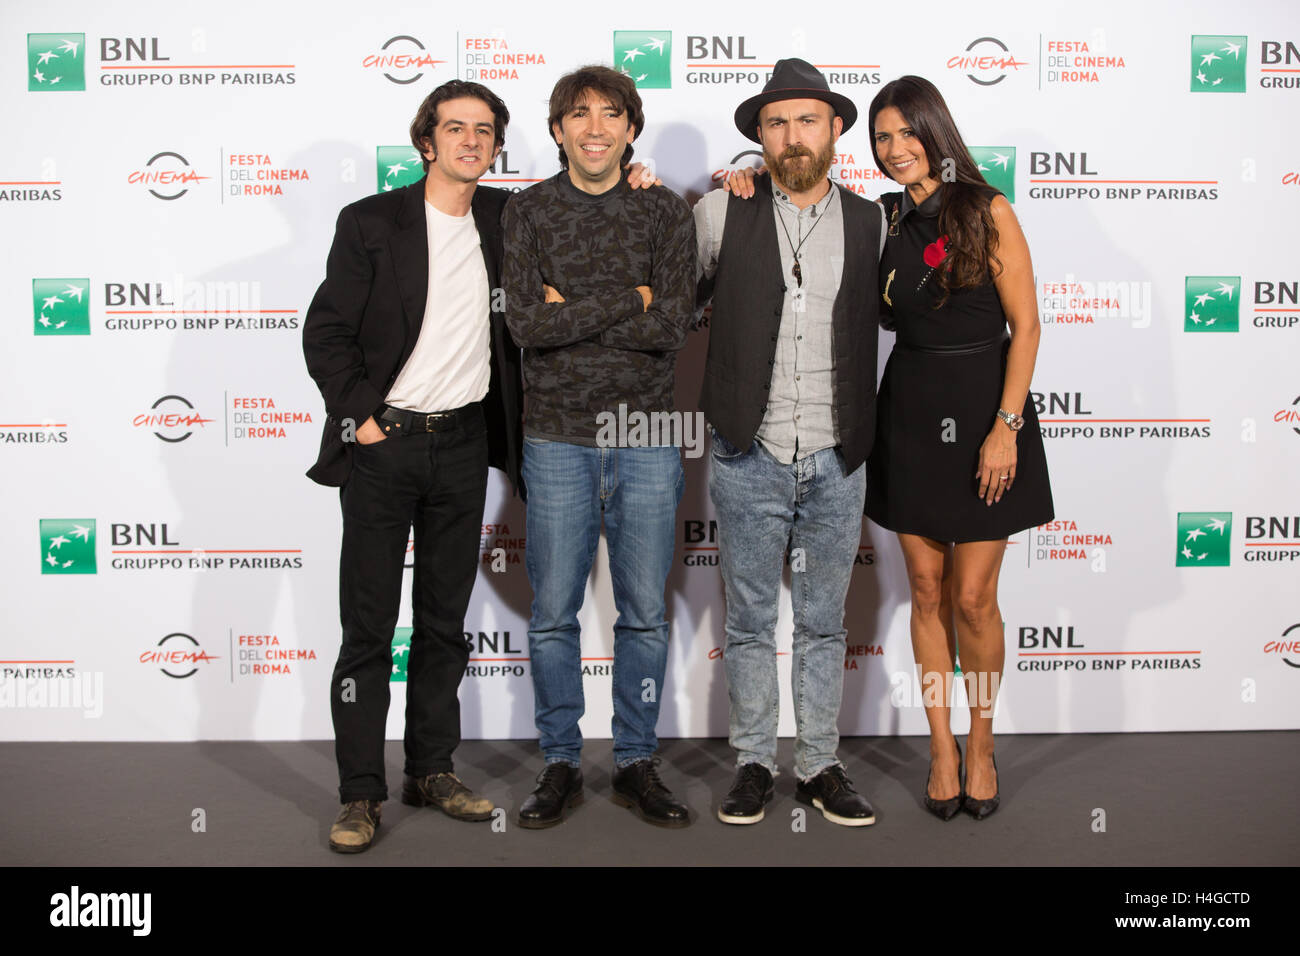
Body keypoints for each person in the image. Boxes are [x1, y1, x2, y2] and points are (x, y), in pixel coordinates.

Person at [303, 79, 523, 853]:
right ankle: (359, 793)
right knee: (368, 629)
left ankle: (430, 768)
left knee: (443, 623)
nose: (471, 140)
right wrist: (360, 419)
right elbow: (325, 333)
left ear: (498, 145)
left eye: (485, 130)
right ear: (425, 141)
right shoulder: (371, 222)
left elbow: (582, 196)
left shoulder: (507, 217)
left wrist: (634, 174)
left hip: (464, 445)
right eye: (455, 128)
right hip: (384, 445)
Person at [502, 65, 697, 829]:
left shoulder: (664, 213)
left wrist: (580, 307)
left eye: (610, 114)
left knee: (643, 615)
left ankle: (636, 759)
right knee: (553, 614)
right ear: (556, 130)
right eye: (577, 114)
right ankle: (558, 761)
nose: (593, 127)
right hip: (555, 435)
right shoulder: (528, 212)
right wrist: (632, 298)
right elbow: (527, 324)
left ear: (630, 128)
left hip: (649, 432)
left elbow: (671, 328)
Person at [698, 58, 886, 826]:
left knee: (822, 623)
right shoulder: (719, 211)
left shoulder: (877, 221)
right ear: (759, 138)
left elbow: (932, 294)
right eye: (776, 123)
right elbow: (670, 302)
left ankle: (817, 765)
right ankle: (752, 760)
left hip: (839, 457)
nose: (792, 135)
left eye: (807, 119)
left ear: (835, 128)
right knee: (746, 621)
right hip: (750, 451)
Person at [865, 75, 1054, 820]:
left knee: (975, 598)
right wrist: (748, 173)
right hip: (909, 409)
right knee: (928, 591)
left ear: (936, 135)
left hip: (983, 412)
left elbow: (1028, 327)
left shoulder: (986, 209)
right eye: (882, 138)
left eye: (908, 133)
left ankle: (982, 740)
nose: (895, 149)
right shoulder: (879, 218)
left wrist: (1004, 429)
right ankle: (940, 746)